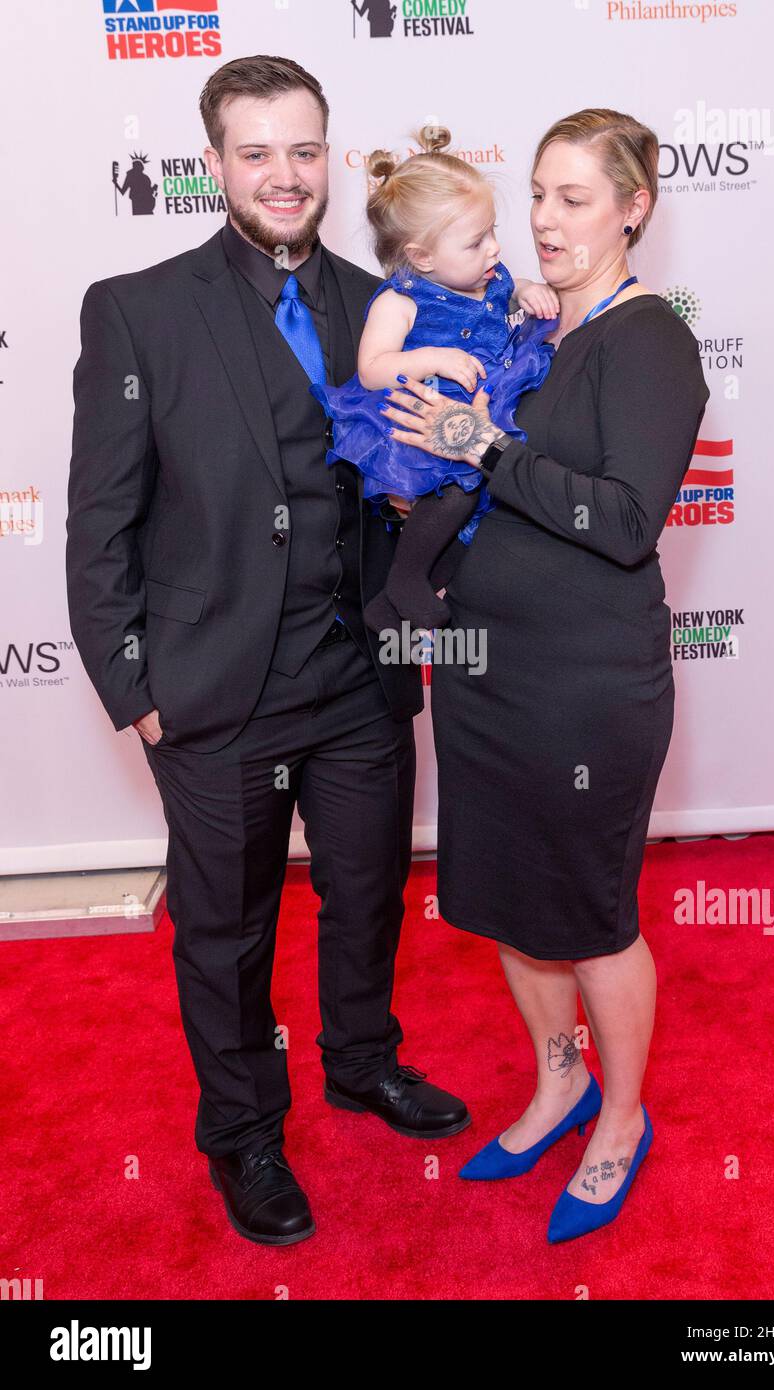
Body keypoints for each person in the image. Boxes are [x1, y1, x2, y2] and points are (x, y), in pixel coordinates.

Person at [66, 54, 470, 1250]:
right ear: (214, 165)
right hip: (211, 691)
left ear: (328, 157)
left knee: (367, 894)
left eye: (304, 150)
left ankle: (359, 1062)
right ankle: (241, 1130)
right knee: (227, 928)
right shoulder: (137, 307)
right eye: (257, 153)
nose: (285, 176)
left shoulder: (375, 298)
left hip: (355, 675)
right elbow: (98, 525)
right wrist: (135, 690)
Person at [378, 109, 710, 1243]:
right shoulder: (522, 325)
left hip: (585, 686)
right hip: (483, 675)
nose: (545, 221)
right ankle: (556, 1081)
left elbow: (622, 521)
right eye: (536, 195)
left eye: (575, 199)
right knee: (513, 907)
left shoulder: (648, 338)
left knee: (590, 913)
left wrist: (484, 446)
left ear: (633, 208)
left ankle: (619, 1114)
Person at [310, 124, 559, 633]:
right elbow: (373, 368)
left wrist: (528, 289)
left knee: (479, 519)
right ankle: (405, 581)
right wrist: (434, 358)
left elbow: (509, 300)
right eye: (475, 242)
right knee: (458, 494)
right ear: (422, 256)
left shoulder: (493, 278)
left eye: (492, 231)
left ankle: (387, 605)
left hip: (484, 405)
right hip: (423, 418)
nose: (494, 249)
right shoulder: (400, 299)